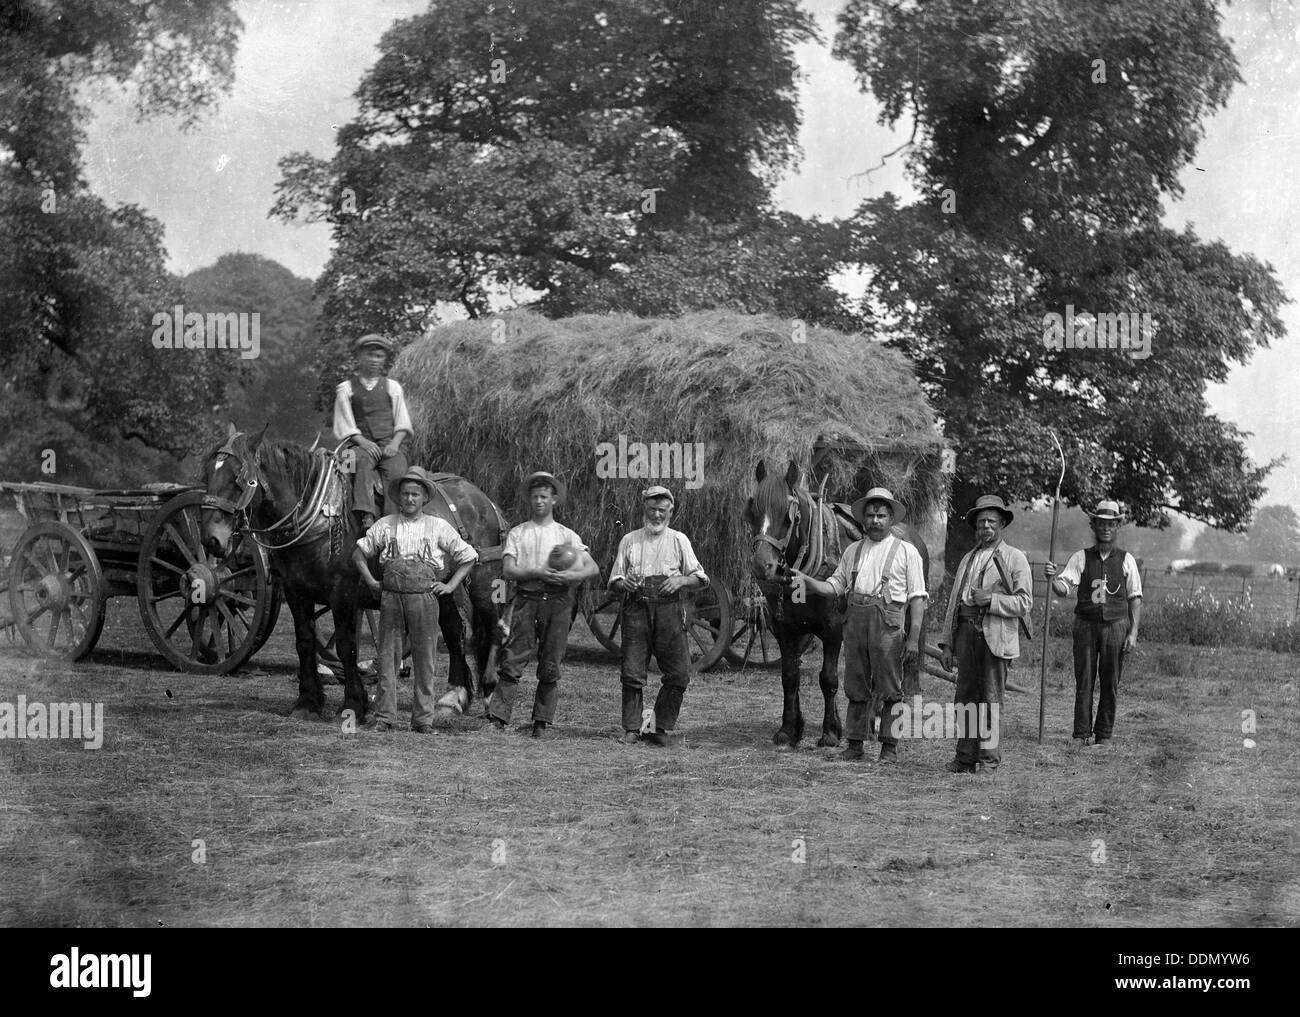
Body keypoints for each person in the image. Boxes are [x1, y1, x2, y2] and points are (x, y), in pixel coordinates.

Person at [788, 487, 927, 764]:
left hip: (888, 623)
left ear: (891, 520)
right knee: (856, 683)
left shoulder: (907, 552)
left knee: (890, 688)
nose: (876, 520)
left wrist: (913, 639)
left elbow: (917, 598)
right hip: (855, 622)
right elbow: (835, 587)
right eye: (871, 515)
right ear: (863, 519)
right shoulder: (853, 551)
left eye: (881, 516)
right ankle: (854, 744)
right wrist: (807, 581)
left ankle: (889, 748)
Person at [352, 467, 478, 733]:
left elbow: (468, 556)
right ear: (399, 497)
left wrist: (450, 584)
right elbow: (359, 555)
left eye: (415, 495)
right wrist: (372, 581)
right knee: (387, 658)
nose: (410, 499)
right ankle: (385, 717)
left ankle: (422, 720)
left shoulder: (437, 527)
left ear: (424, 499)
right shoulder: (385, 525)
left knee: (425, 659)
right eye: (406, 494)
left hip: (424, 599)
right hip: (391, 599)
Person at [485, 471, 599, 738]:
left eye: (544, 497)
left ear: (554, 500)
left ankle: (541, 722)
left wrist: (572, 575)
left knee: (551, 662)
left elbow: (591, 567)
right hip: (527, 600)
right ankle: (498, 718)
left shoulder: (566, 535)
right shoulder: (518, 533)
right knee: (512, 659)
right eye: (535, 497)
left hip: (558, 603)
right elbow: (510, 570)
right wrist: (537, 572)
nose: (539, 501)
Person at [937, 495, 1033, 773]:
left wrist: (990, 601)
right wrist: (946, 644)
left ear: (1002, 523)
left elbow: (1025, 603)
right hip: (966, 635)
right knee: (965, 697)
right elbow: (954, 604)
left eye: (991, 521)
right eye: (981, 523)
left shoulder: (1015, 558)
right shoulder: (968, 559)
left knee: (991, 699)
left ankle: (989, 761)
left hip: (995, 635)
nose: (986, 527)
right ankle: (965, 757)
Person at [608, 486, 709, 746]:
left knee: (679, 674)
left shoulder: (678, 540)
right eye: (652, 509)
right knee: (632, 672)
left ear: (670, 513)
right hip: (636, 610)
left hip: (669, 612)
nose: (656, 515)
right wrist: (625, 583)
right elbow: (614, 581)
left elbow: (701, 579)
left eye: (662, 511)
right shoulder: (629, 540)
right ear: (644, 508)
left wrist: (680, 581)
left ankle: (659, 727)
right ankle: (632, 728)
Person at [1044, 500, 1143, 747]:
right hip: (1086, 625)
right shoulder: (1081, 557)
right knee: (1085, 680)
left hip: (1115, 626)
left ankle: (1104, 734)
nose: (1106, 528)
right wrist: (1052, 578)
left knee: (1110, 682)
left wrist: (1133, 633)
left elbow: (1135, 598)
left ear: (1118, 526)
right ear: (1094, 525)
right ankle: (1081, 733)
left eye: (1111, 524)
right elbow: (1063, 588)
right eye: (1101, 523)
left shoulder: (1125, 559)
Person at [333, 333, 414, 531]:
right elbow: (345, 424)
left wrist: (394, 444)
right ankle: (365, 514)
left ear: (384, 360)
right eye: (369, 355)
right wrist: (364, 442)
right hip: (357, 445)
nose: (374, 360)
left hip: (390, 445)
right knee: (355, 463)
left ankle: (392, 520)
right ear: (359, 357)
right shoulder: (346, 389)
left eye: (378, 356)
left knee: (396, 472)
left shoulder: (392, 387)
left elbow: (403, 422)